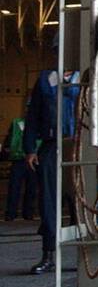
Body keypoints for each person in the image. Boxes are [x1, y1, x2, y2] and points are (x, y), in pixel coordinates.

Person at [23, 37, 81, 274]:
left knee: (81, 202)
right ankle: (48, 255)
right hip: (51, 146)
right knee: (48, 202)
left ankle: (84, 256)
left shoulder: (86, 77)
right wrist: (30, 149)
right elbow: (32, 116)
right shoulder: (45, 80)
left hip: (80, 147)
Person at [2, 111, 38, 222]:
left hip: (29, 158)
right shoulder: (17, 123)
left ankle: (22, 213)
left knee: (28, 187)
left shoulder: (35, 124)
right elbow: (9, 138)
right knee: (16, 187)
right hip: (21, 158)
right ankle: (15, 213)